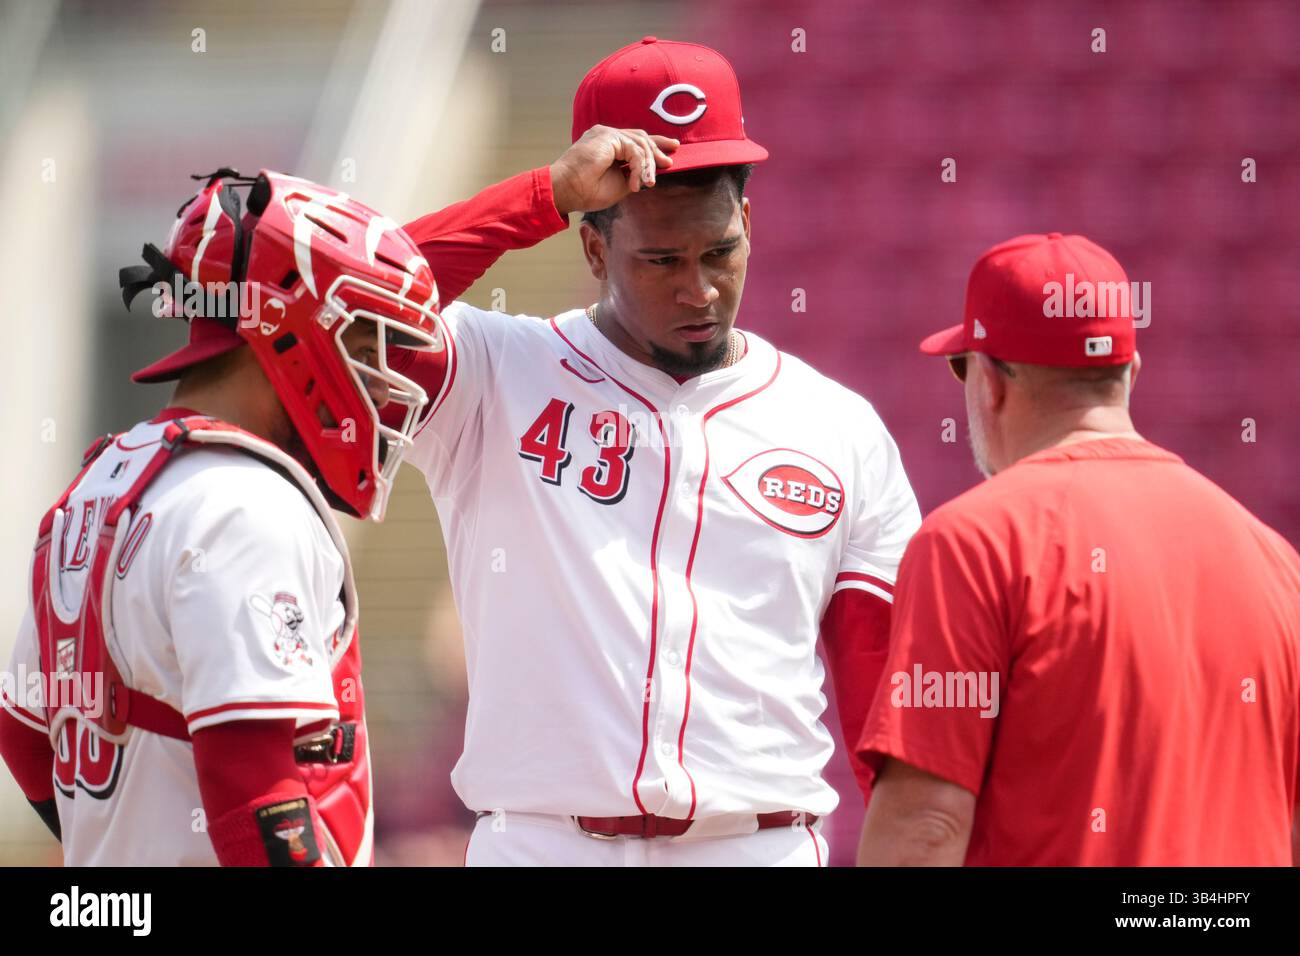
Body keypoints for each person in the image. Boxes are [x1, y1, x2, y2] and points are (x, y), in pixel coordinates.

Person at [385, 36, 921, 866]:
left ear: (748, 221)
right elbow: (340, 300)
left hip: (759, 844)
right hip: (541, 843)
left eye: (720, 252)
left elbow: (886, 710)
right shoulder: (494, 371)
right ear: (594, 248)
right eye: (660, 260)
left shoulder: (838, 427)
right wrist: (541, 195)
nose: (699, 289)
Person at [0, 168, 442, 865]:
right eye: (362, 347)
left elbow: (24, 737)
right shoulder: (247, 503)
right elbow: (254, 794)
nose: (377, 382)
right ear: (292, 333)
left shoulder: (101, 478)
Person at [856, 232, 1300, 866]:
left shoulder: (974, 544)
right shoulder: (1275, 559)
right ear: (1131, 373)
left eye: (963, 364)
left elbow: (926, 824)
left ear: (989, 381)